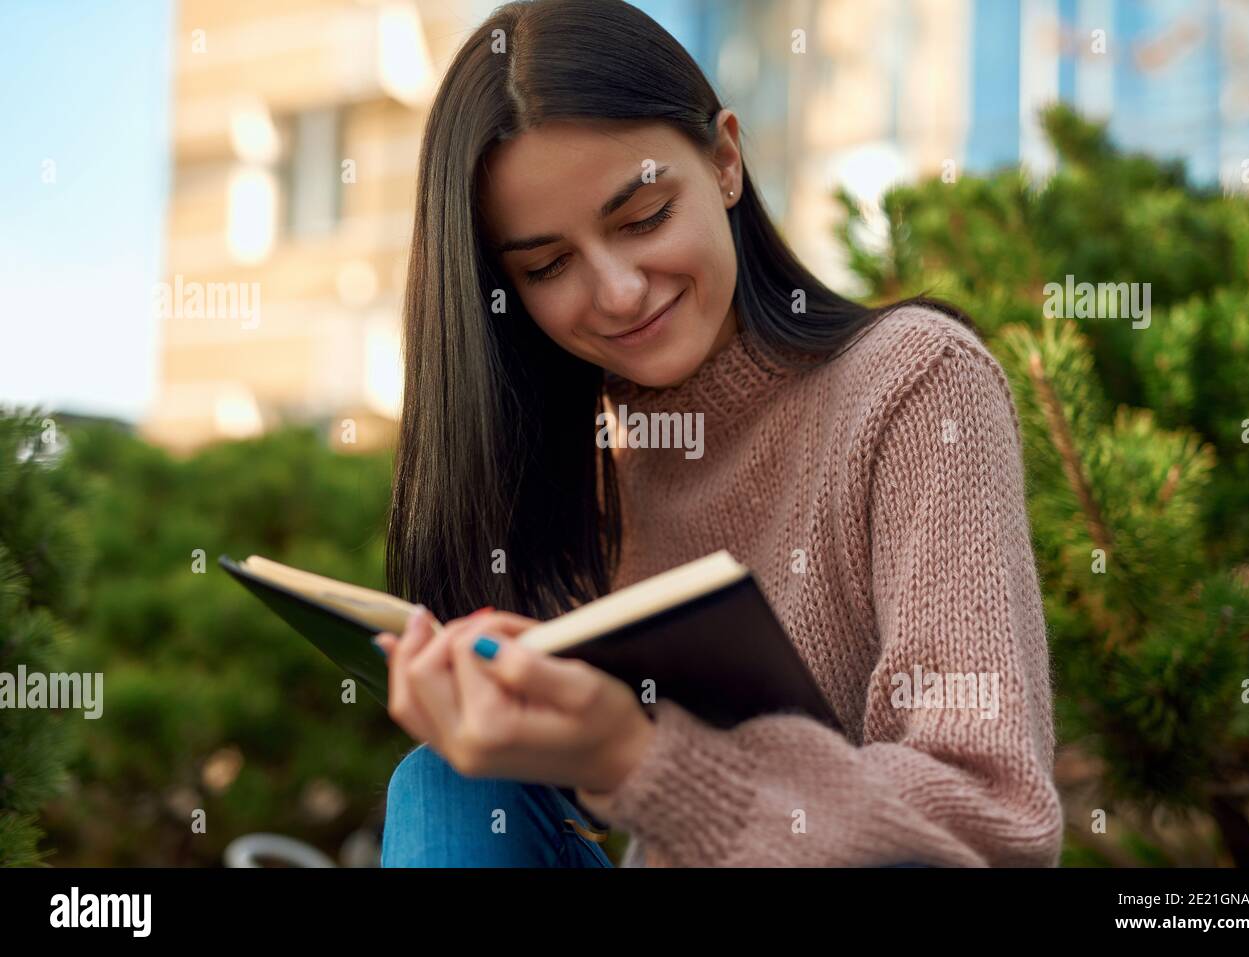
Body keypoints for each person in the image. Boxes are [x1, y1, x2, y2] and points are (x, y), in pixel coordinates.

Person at [375, 0, 1063, 868]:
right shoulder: (587, 468)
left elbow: (991, 822)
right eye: (548, 267)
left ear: (726, 160)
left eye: (644, 217)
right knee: (447, 782)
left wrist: (636, 760)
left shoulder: (914, 384)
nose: (619, 291)